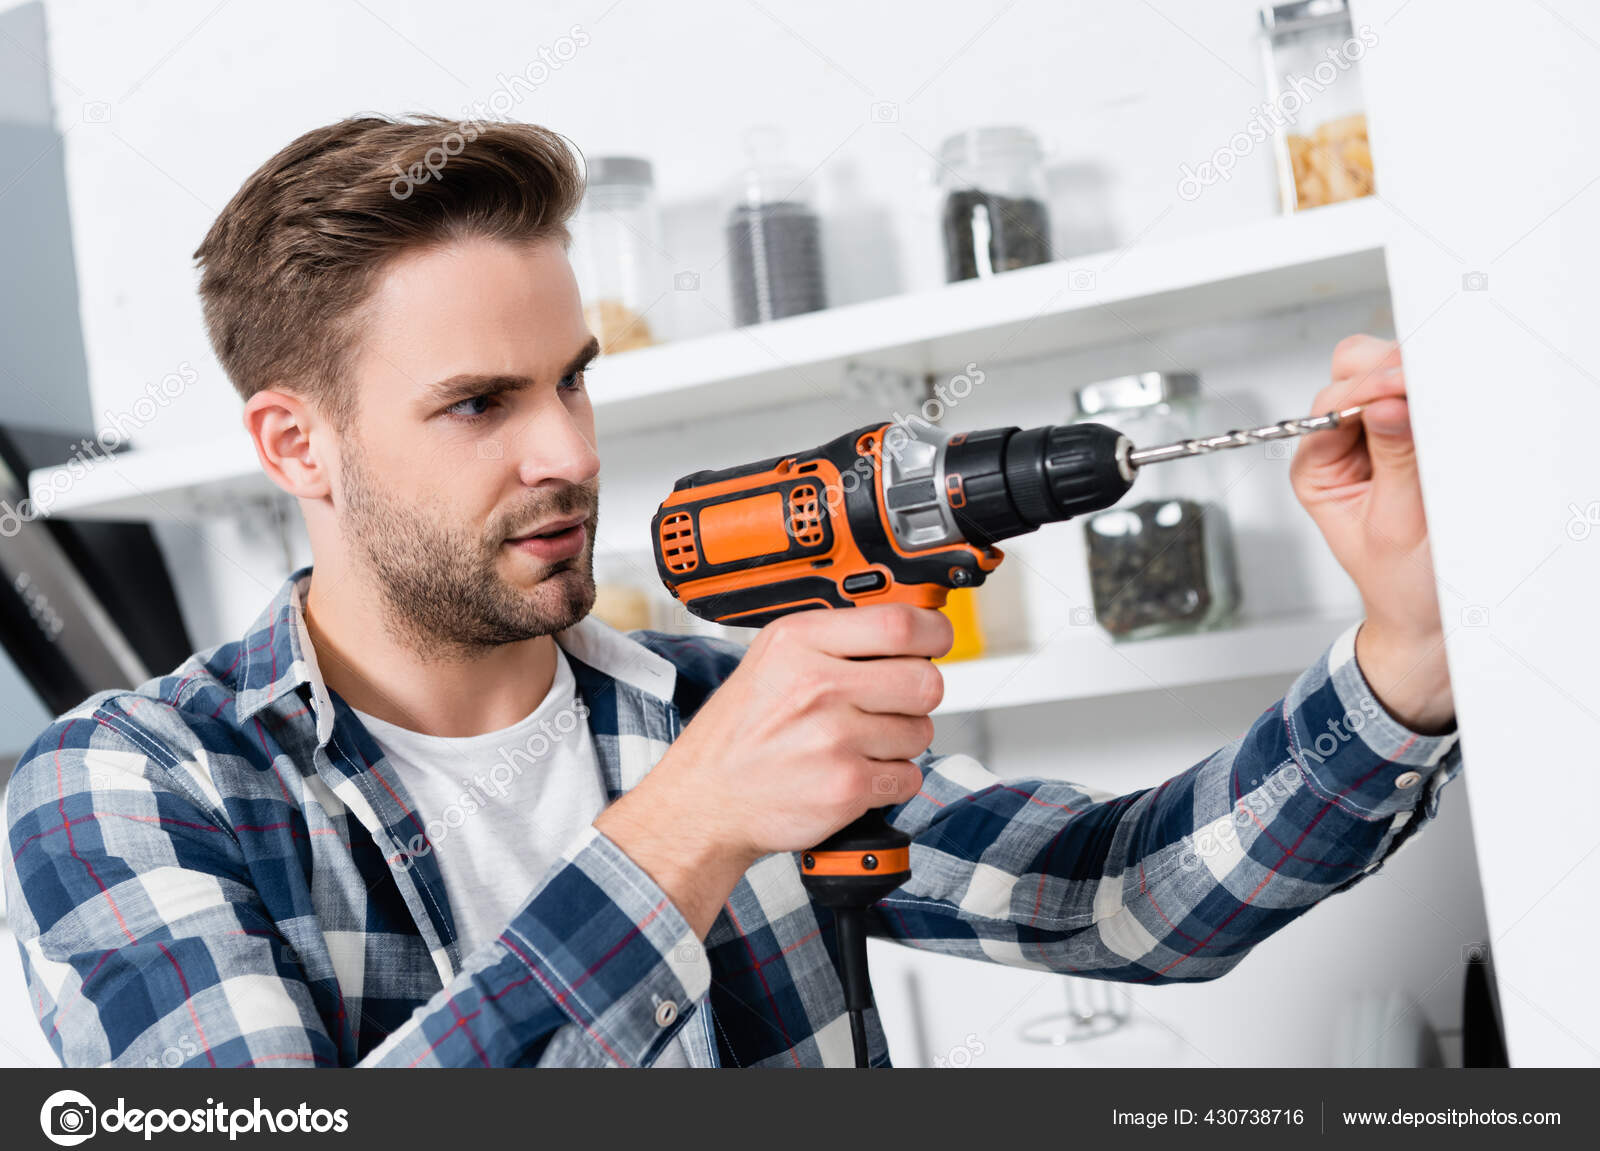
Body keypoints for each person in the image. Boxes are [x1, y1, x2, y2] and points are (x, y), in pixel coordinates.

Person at [3, 116, 1459, 1068]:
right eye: (478, 404)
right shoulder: (127, 787)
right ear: (294, 443)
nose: (568, 450)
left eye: (574, 380)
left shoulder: (718, 701)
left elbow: (1127, 902)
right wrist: (686, 835)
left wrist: (1405, 652)